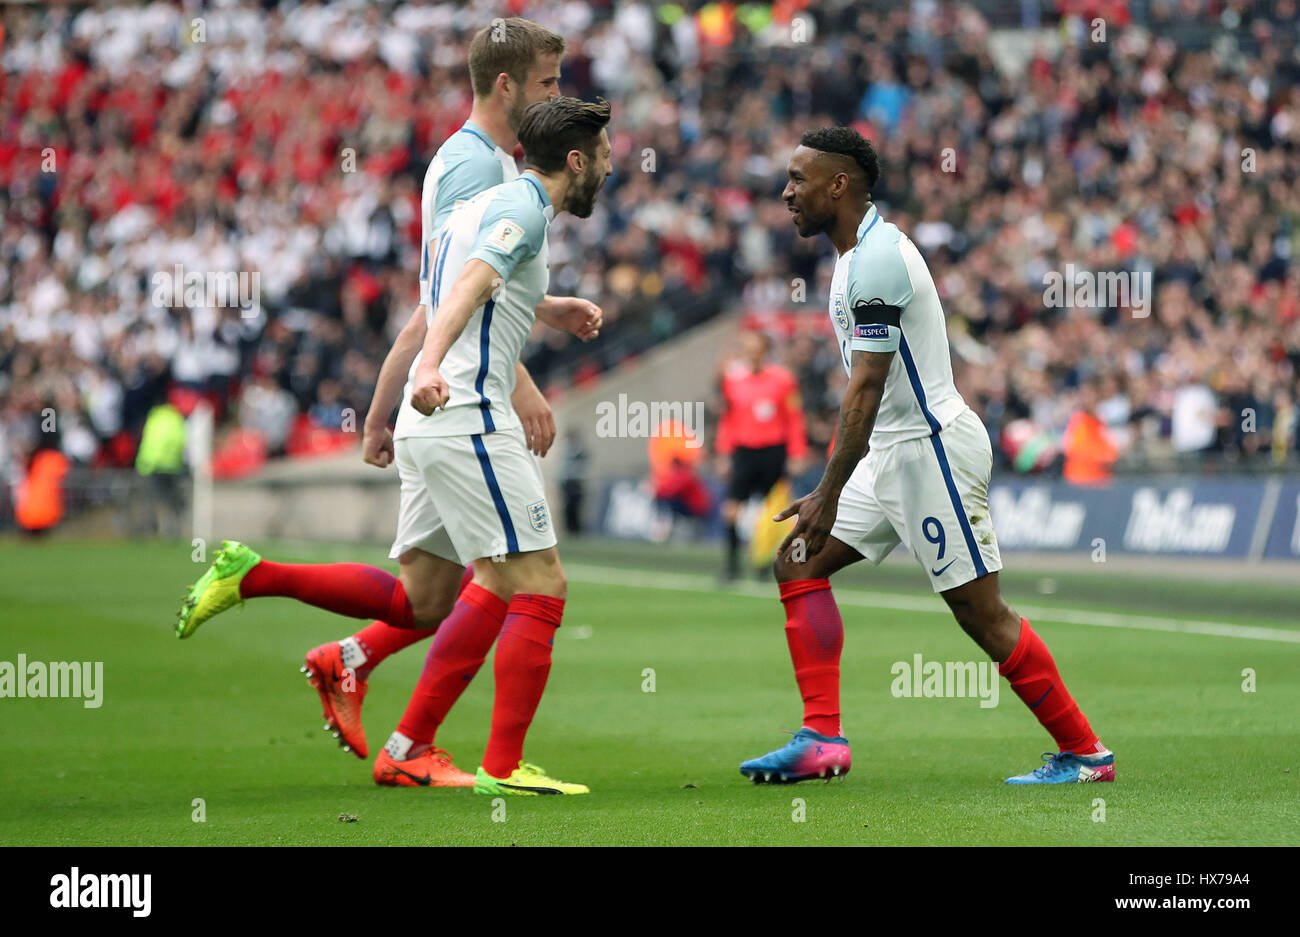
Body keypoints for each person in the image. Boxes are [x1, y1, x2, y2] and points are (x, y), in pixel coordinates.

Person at [173, 19, 601, 787]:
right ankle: (445, 751)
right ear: (506, 86)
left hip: (434, 397)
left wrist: (388, 404)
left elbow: (458, 286)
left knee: (426, 597)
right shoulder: (483, 173)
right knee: (516, 580)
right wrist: (517, 383)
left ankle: (281, 598)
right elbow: (460, 291)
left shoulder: (468, 163)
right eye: (545, 84)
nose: (554, 96)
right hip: (465, 398)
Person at [742, 127, 1112, 786]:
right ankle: (822, 737)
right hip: (889, 452)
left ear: (840, 184)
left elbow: (867, 386)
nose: (786, 192)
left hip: (931, 451)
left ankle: (1086, 753)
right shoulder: (853, 256)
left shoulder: (880, 257)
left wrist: (827, 489)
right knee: (798, 558)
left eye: (799, 179)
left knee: (979, 612)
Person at [395, 95, 613, 794]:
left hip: (438, 417)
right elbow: (465, 288)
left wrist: (547, 307)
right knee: (543, 580)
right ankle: (503, 766)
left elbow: (469, 277)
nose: (611, 167)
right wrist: (428, 363)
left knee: (488, 581)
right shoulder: (521, 210)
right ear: (577, 160)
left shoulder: (495, 202)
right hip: (468, 415)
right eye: (606, 156)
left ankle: (407, 746)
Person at [715, 330, 808, 580]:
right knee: (732, 509)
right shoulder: (732, 381)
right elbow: (727, 420)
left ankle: (768, 564)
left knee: (776, 513)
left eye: (756, 348)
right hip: (743, 452)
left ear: (765, 351)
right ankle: (732, 565)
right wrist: (724, 453)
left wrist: (797, 452)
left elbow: (794, 418)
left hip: (773, 452)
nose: (751, 353)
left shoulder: (784, 380)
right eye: (747, 348)